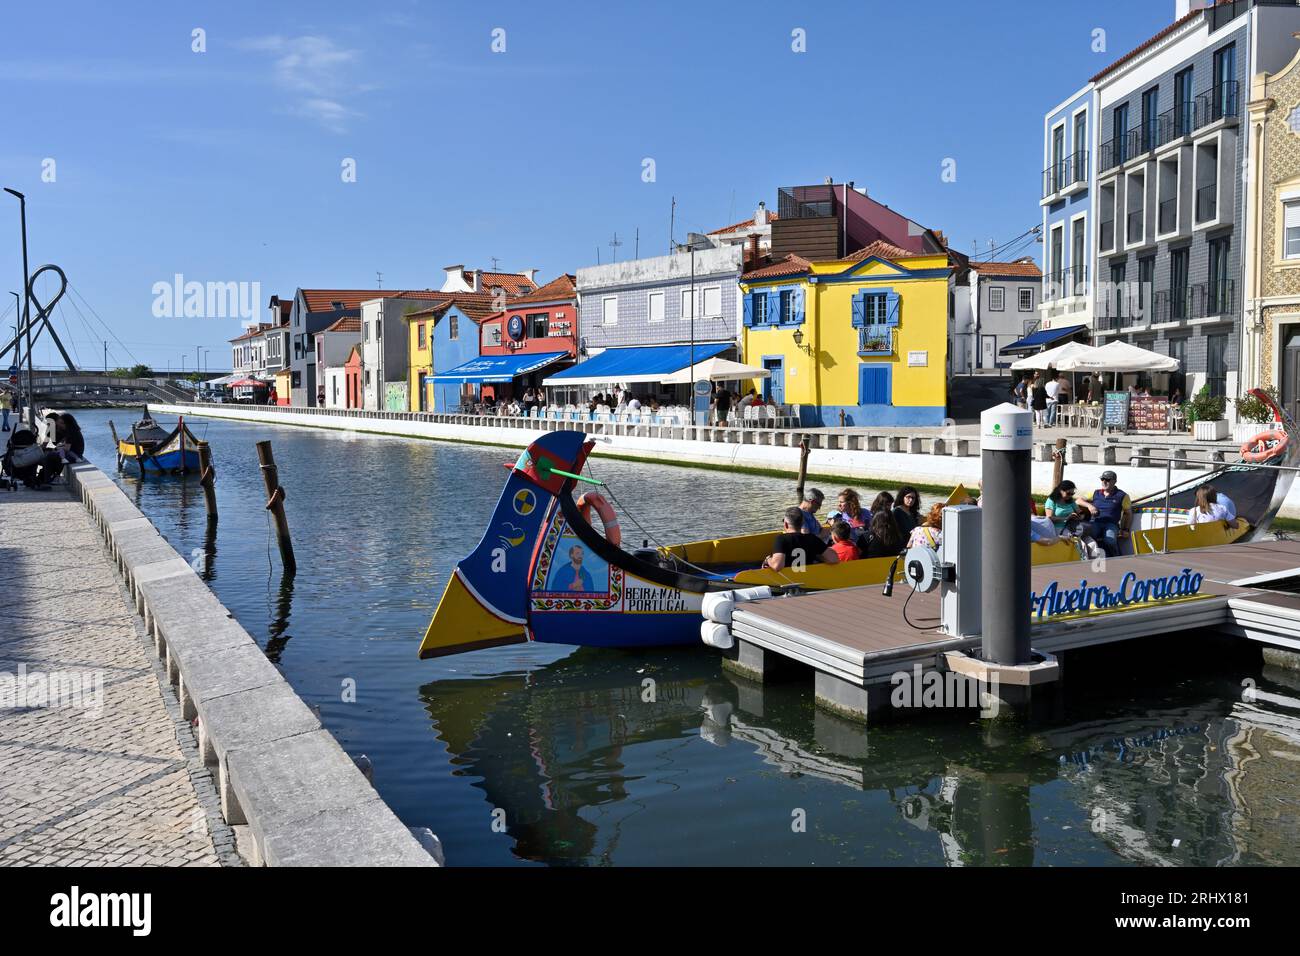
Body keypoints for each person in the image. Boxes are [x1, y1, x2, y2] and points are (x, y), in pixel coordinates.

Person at [764, 506, 839, 570]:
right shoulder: (812, 538)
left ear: (786, 524)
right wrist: (817, 556)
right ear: (802, 524)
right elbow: (834, 559)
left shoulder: (781, 539)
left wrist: (768, 559)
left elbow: (777, 566)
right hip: (808, 578)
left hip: (789, 581)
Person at [1078, 470, 1132, 557]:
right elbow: (1078, 500)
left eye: (1107, 479)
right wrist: (1089, 506)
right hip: (1096, 522)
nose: (1104, 481)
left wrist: (1126, 529)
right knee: (1085, 535)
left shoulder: (1122, 495)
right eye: (1102, 479)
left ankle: (1117, 557)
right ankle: (1089, 557)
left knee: (1110, 540)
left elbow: (1128, 513)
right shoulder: (1096, 493)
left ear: (1114, 481)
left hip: (1111, 524)